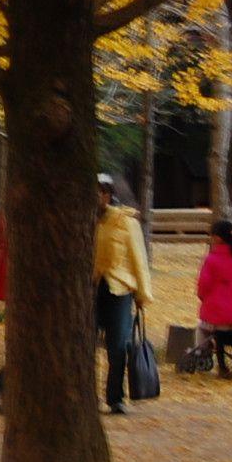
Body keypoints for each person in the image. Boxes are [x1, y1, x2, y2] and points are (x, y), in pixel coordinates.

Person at [93, 173, 152, 414]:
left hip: (119, 291)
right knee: (86, 344)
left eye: (98, 193)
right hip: (92, 289)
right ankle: (87, 396)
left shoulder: (126, 222)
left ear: (107, 195)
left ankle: (115, 397)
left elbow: (139, 260)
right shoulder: (86, 222)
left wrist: (142, 295)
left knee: (117, 346)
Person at [196, 219, 232, 376]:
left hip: (217, 312)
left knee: (212, 334)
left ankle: (221, 366)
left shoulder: (212, 259)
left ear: (217, 238)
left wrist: (202, 298)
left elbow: (204, 285)